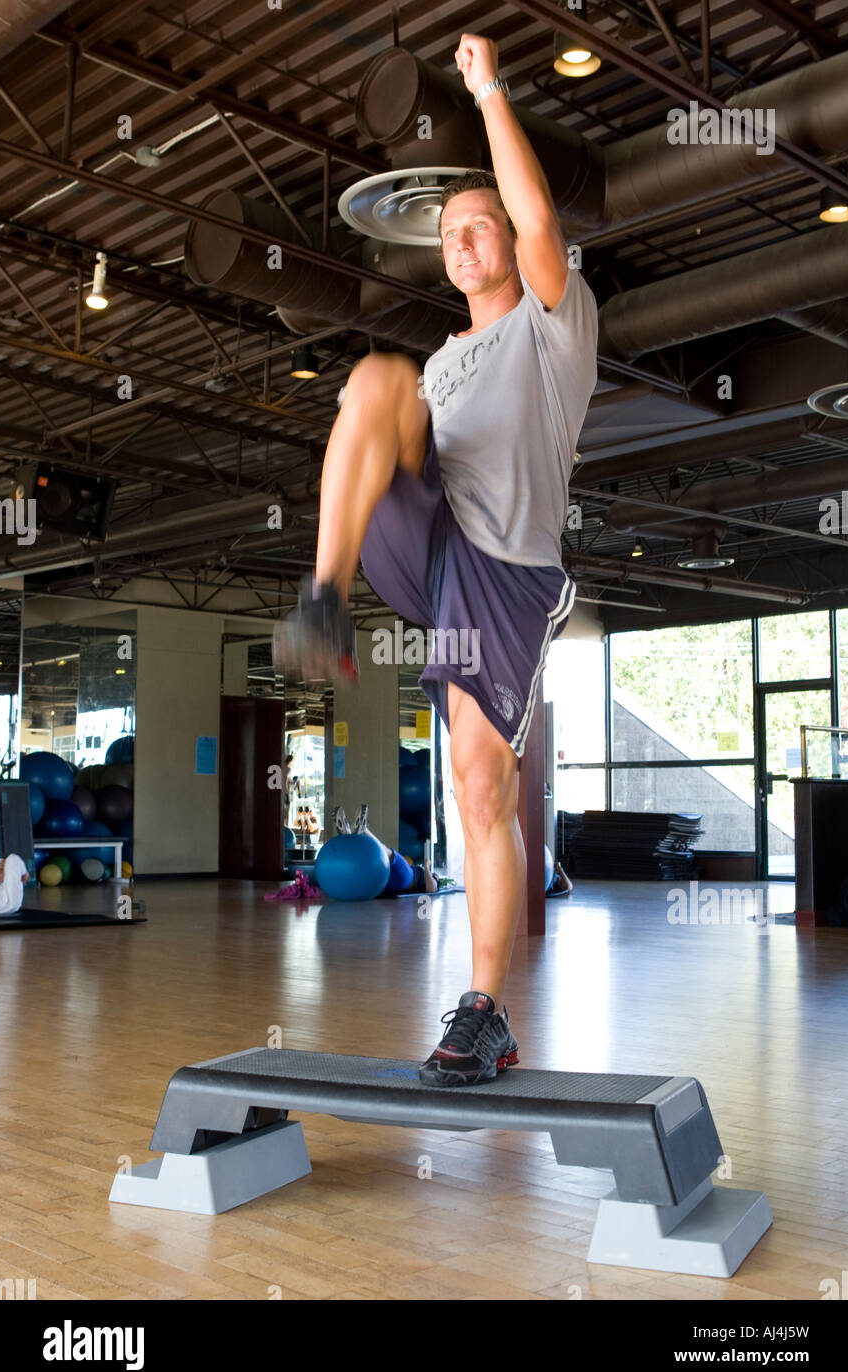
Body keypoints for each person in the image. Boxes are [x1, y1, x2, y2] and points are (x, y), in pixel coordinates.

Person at [274, 32, 598, 1086]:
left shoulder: (554, 323)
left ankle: (483, 1009)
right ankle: (321, 596)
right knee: (371, 380)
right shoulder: (450, 361)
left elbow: (540, 217)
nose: (464, 243)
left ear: (509, 241)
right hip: (429, 545)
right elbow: (386, 419)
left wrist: (488, 91)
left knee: (478, 782)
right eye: (451, 233)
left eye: (480, 227)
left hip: (502, 571)